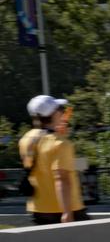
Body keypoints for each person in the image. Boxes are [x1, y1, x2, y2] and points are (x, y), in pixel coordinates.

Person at [20, 95, 89, 225]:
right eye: (60, 109)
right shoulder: (61, 143)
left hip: (39, 209)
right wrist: (67, 213)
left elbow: (40, 166)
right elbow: (61, 179)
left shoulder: (25, 139)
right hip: (67, 209)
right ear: (54, 113)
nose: (63, 112)